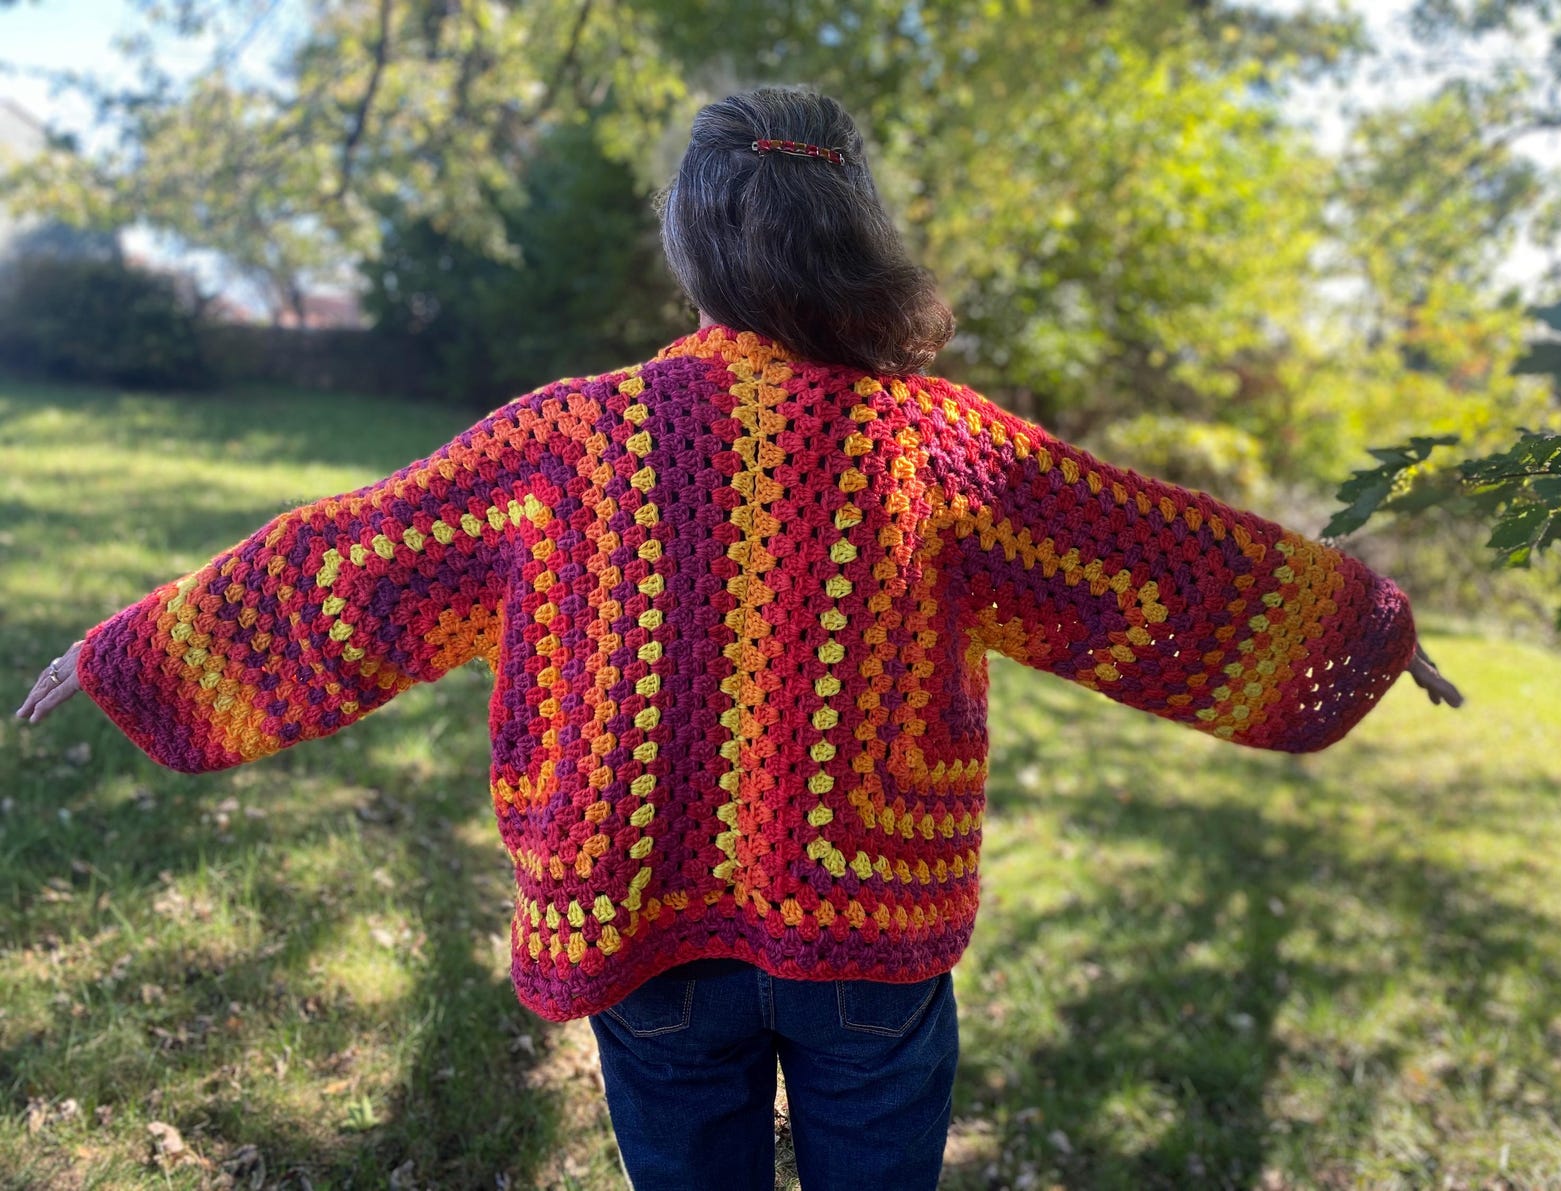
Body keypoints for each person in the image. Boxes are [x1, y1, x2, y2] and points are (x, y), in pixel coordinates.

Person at [15, 86, 1462, 1190]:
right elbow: (1154, 568)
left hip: (639, 924)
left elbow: (353, 573)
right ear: (857, 237)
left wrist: (138, 647)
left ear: (691, 245)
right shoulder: (941, 449)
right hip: (869, 939)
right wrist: (1363, 626)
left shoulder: (565, 445)